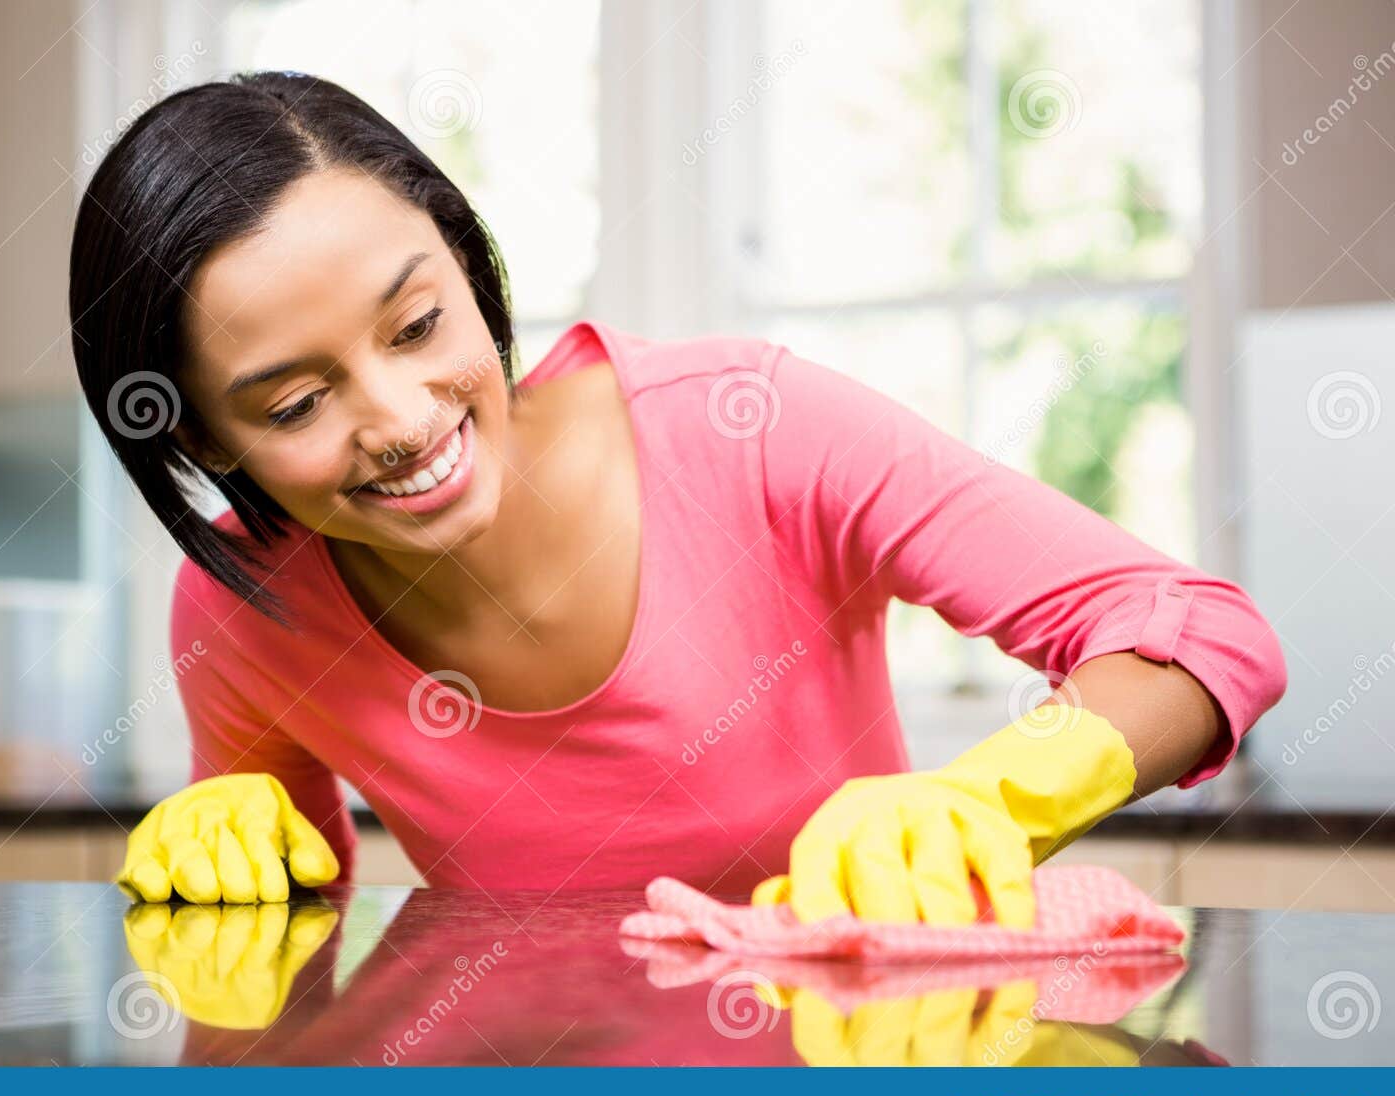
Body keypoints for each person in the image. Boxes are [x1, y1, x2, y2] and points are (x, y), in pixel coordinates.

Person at [70, 72, 1286, 928]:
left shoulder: (747, 431)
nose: (399, 417)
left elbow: (1198, 630)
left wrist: (992, 795)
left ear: (462, 251)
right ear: (194, 435)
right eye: (292, 405)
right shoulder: (239, 605)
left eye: (419, 322)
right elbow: (289, 940)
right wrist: (214, 837)